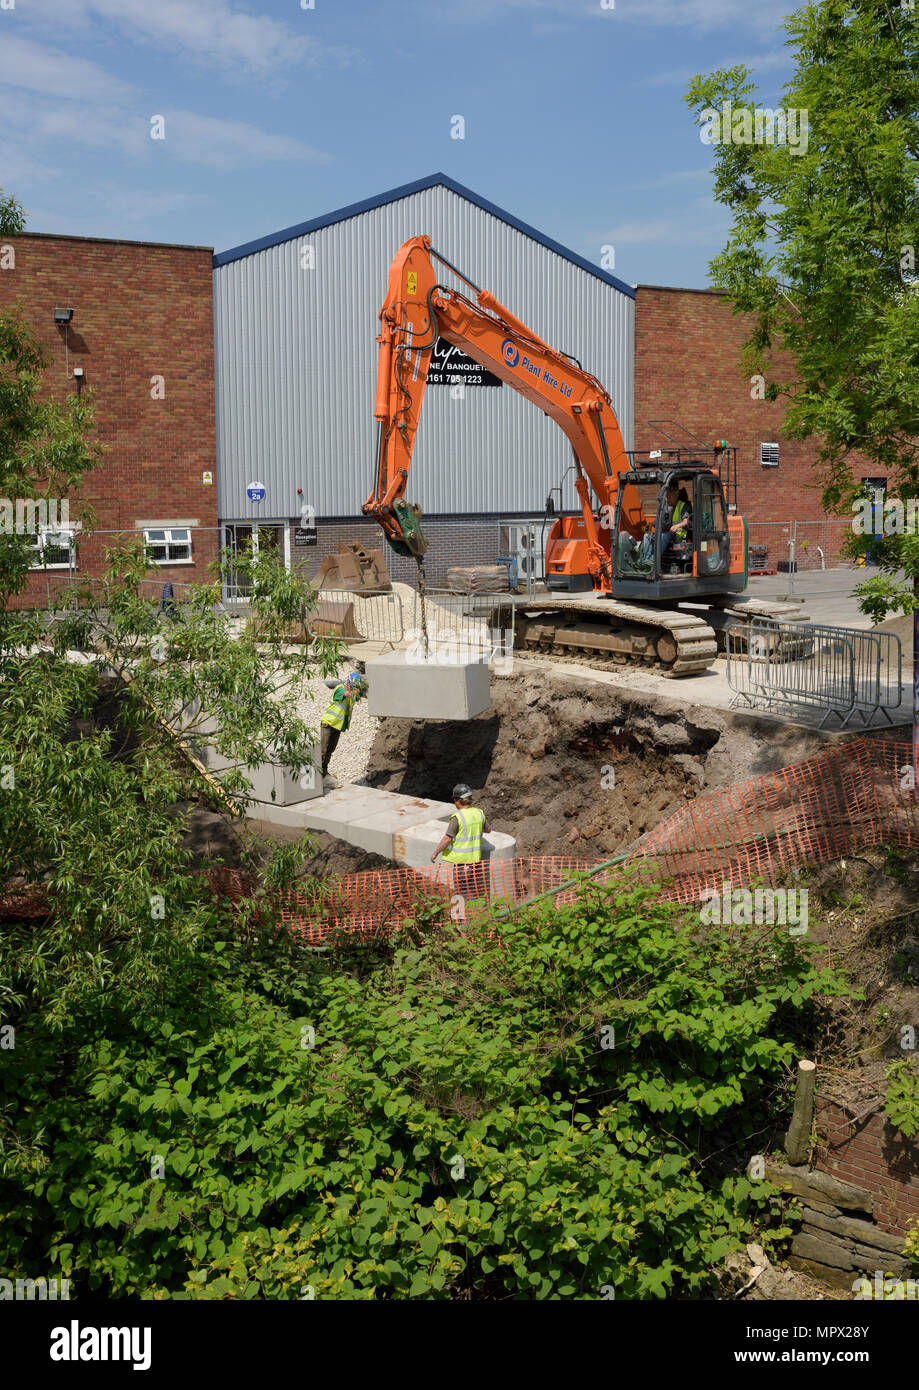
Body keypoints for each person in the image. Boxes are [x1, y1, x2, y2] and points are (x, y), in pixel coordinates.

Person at [431, 782, 490, 916]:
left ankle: (468, 918)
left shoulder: (458, 817)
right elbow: (488, 829)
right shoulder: (479, 813)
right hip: (475, 861)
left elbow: (447, 838)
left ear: (458, 801)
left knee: (463, 892)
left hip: (462, 863)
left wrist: (435, 853)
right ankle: (476, 917)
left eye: (454, 800)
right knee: (472, 890)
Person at [320, 671, 368, 781]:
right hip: (328, 724)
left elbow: (364, 695)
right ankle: (317, 773)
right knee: (323, 750)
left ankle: (324, 772)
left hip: (338, 726)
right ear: (348, 683)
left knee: (330, 750)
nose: (352, 689)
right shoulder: (340, 688)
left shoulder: (353, 692)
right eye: (352, 687)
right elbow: (348, 694)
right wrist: (357, 691)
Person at [641, 482, 692, 565]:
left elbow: (686, 522)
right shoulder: (670, 508)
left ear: (674, 496)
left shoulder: (682, 506)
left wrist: (676, 526)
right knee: (647, 536)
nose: (667, 499)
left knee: (663, 536)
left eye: (668, 497)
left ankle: (654, 560)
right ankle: (646, 561)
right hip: (671, 532)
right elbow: (665, 522)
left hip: (680, 534)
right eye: (666, 497)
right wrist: (652, 524)